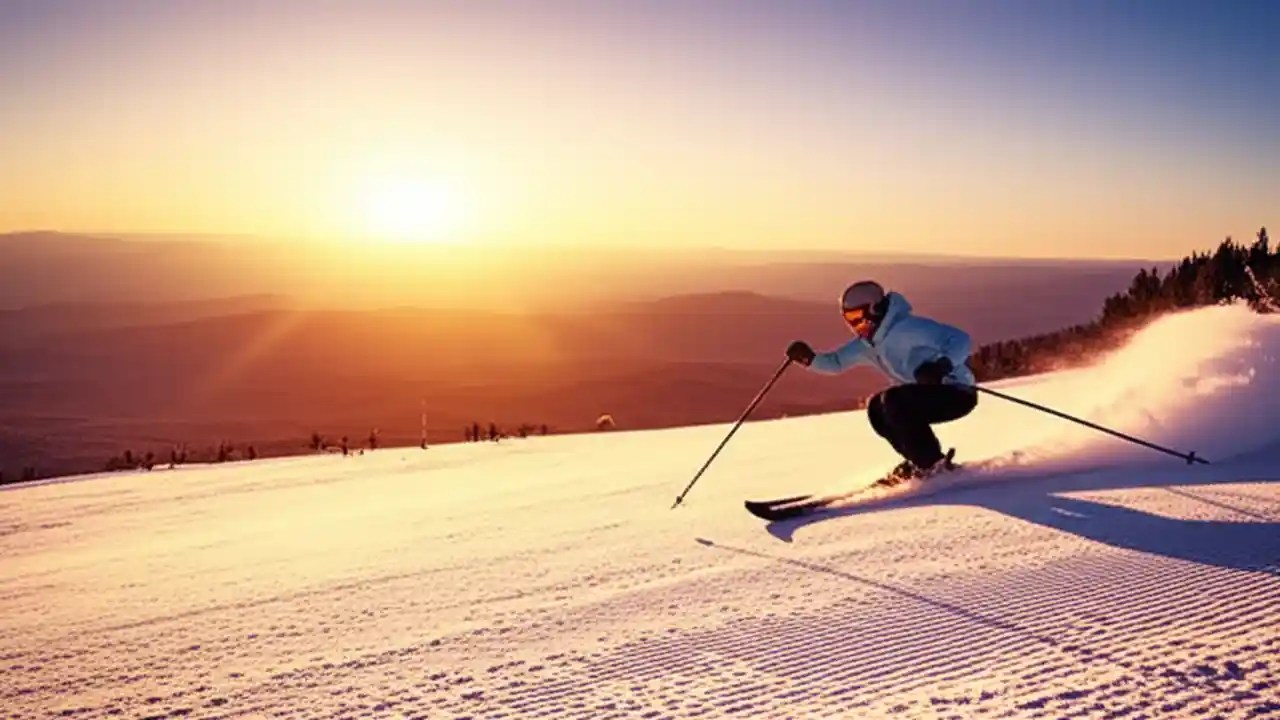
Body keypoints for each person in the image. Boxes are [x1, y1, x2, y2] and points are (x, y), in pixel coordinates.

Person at [785, 280, 977, 479]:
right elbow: (836, 362)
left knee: (894, 399)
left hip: (956, 392)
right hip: (922, 398)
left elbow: (959, 339)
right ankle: (918, 460)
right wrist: (809, 359)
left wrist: (942, 366)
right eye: (849, 319)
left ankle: (931, 464)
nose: (855, 325)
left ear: (875, 309)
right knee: (876, 408)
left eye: (857, 317)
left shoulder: (906, 329)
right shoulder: (867, 345)